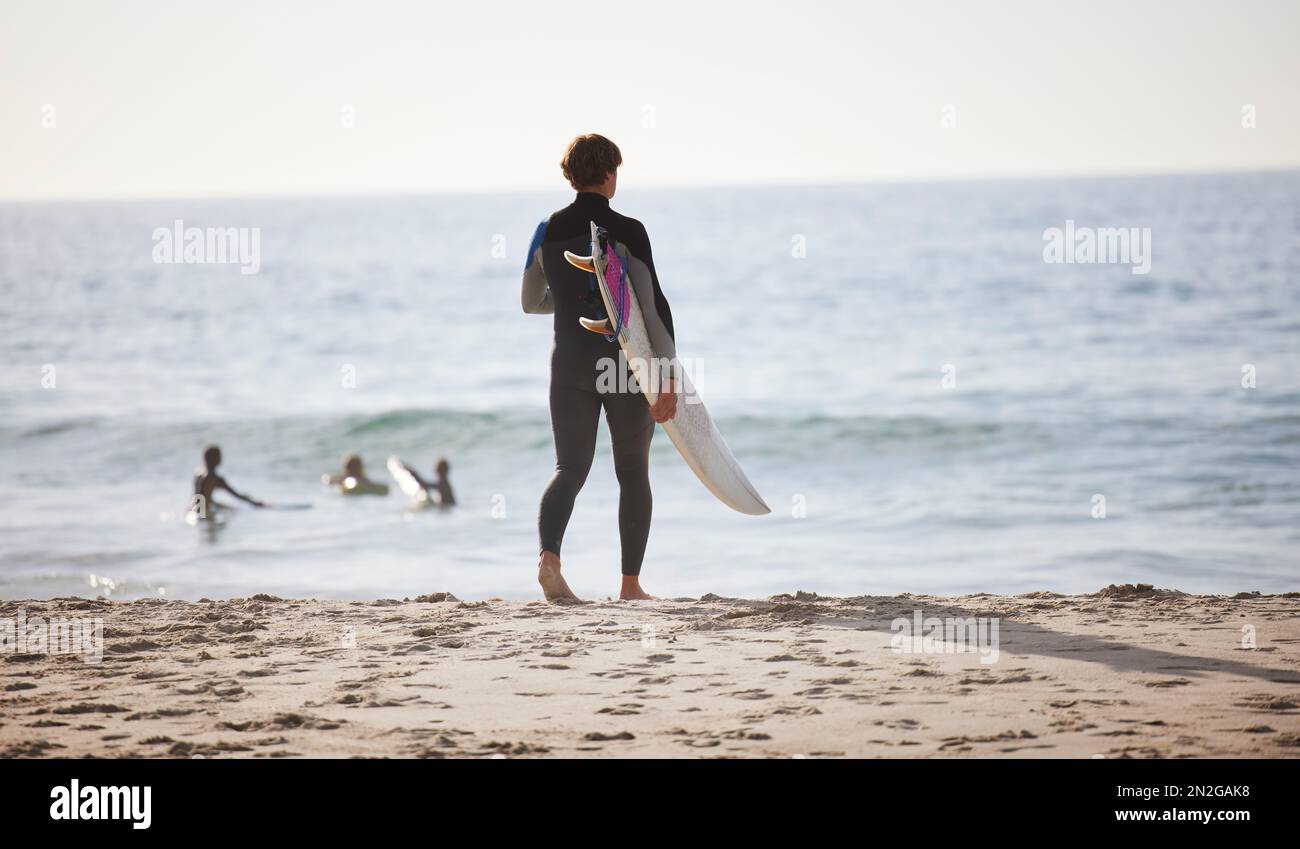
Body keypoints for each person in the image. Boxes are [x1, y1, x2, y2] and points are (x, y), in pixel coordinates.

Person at [521, 133, 679, 602]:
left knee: (568, 467)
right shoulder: (629, 230)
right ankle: (630, 586)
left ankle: (549, 560)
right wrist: (667, 375)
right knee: (632, 472)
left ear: (572, 176)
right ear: (610, 174)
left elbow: (531, 303)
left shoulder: (546, 230)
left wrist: (572, 301)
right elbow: (651, 309)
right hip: (621, 365)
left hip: (567, 362)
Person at [191, 444, 263, 517]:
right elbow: (237, 495)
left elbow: (200, 497)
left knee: (226, 509)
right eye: (219, 456)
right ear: (215, 459)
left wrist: (215, 504)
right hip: (202, 514)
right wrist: (254, 502)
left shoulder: (198, 473)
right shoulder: (214, 478)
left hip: (193, 510)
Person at [322, 453, 390, 496]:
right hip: (361, 488)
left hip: (353, 489)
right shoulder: (363, 479)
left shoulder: (343, 479)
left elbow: (327, 480)